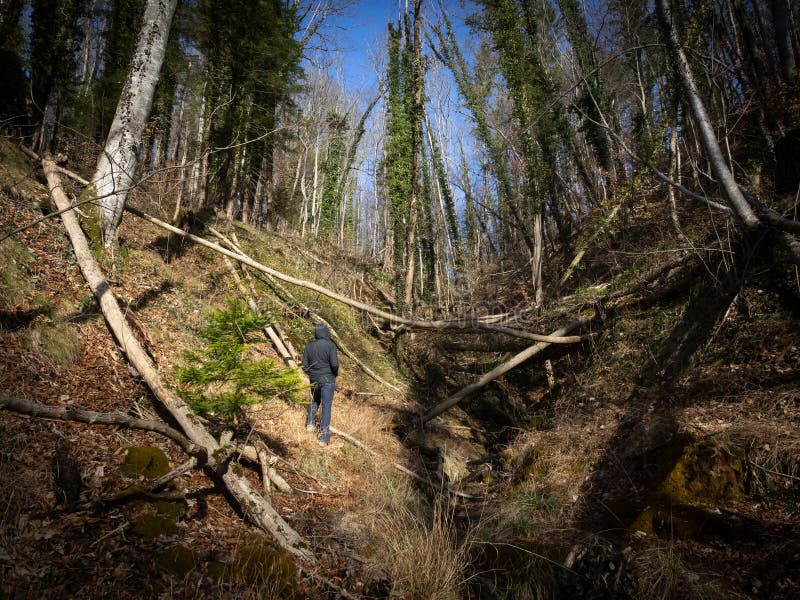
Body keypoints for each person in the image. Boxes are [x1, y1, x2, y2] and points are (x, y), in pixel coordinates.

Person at [301, 323, 339, 446]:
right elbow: (334, 364)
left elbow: (304, 364)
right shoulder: (330, 346)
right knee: (326, 406)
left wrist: (311, 373)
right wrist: (335, 374)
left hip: (314, 379)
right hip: (328, 379)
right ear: (326, 333)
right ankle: (323, 438)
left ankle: (310, 425)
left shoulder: (309, 346)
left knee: (315, 401)